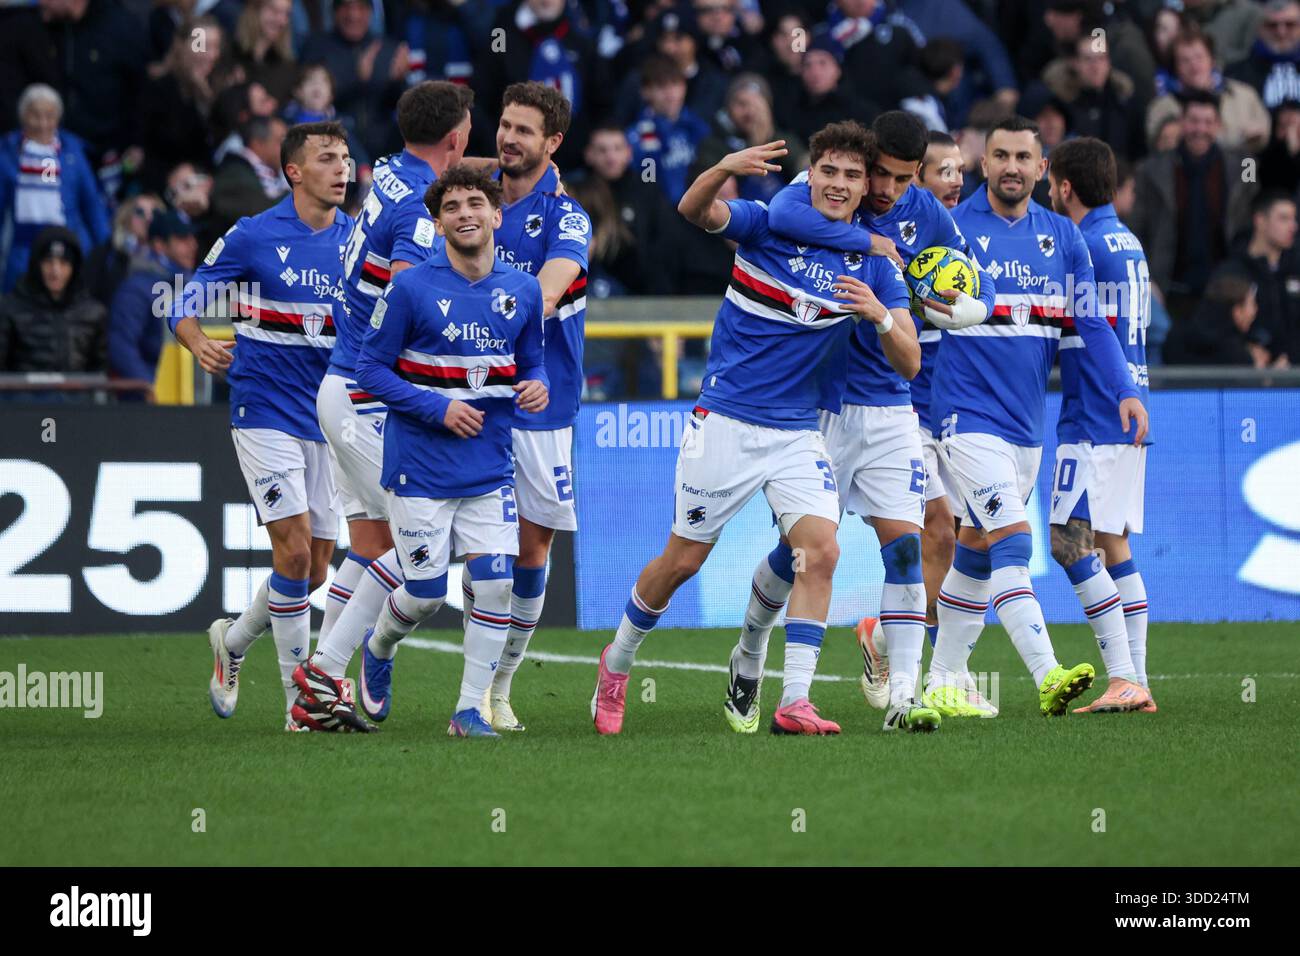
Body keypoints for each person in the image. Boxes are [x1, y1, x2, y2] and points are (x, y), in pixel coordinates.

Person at [591, 124, 906, 737]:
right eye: (830, 171)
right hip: (727, 422)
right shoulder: (767, 224)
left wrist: (880, 315)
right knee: (681, 562)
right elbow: (691, 208)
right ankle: (618, 661)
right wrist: (724, 164)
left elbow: (911, 361)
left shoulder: (871, 260)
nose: (839, 184)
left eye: (852, 175)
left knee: (822, 551)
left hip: (797, 433)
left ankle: (795, 701)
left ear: (866, 185)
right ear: (810, 175)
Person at [748, 112, 996, 725]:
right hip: (821, 404)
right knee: (802, 551)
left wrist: (961, 312)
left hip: (891, 405)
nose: (884, 190)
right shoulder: (834, 193)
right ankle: (752, 639)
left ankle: (906, 698)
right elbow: (780, 214)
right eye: (879, 174)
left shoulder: (928, 213)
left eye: (902, 180)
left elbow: (978, 287)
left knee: (908, 549)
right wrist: (869, 242)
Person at [924, 116, 1147, 718]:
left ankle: (943, 676)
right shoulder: (950, 228)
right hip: (963, 419)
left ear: (1043, 169)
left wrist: (1124, 387)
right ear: (984, 163)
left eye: (1024, 157)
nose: (1012, 168)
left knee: (973, 546)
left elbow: (1091, 323)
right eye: (1001, 156)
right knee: (1014, 538)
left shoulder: (1063, 238)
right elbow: (918, 305)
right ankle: (1048, 675)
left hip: (1027, 428)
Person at [171, 121, 359, 732]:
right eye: (328, 158)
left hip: (330, 418)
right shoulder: (255, 235)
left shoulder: (358, 242)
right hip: (264, 409)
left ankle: (232, 641)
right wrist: (197, 339)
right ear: (295, 172)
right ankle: (296, 705)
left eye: (347, 159)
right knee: (295, 548)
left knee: (315, 565)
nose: (343, 169)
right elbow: (185, 298)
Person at [354, 165, 549, 738]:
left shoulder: (524, 289)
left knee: (494, 583)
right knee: (426, 594)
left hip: (490, 465)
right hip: (420, 466)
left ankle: (468, 709)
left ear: (496, 215)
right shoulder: (411, 287)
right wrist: (437, 409)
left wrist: (538, 385)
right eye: (453, 207)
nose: (465, 213)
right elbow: (369, 369)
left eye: (475, 203)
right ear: (438, 223)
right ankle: (380, 645)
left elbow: (532, 360)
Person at [306, 81, 475, 714]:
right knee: (416, 548)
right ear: (455, 136)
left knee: (375, 547)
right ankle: (324, 674)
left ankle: (322, 686)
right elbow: (409, 291)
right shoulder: (417, 216)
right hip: (369, 396)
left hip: (342, 386)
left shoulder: (390, 176)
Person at [444, 82, 591, 734]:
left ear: (553, 142)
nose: (508, 138)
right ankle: (388, 650)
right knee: (464, 547)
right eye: (504, 125)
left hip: (540, 403)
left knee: (531, 550)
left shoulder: (567, 217)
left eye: (524, 130)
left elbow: (547, 293)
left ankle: (498, 687)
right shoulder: (470, 193)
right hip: (464, 400)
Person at [1045, 137, 1156, 713]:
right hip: (1127, 403)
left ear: (1065, 187)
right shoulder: (1127, 239)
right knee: (1113, 544)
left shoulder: (1083, 243)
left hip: (1096, 412)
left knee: (1068, 540)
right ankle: (1135, 680)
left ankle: (1125, 676)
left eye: (1051, 182)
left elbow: (1089, 325)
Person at [1128, 90, 1257, 322]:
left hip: (1225, 290)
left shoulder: (1244, 164)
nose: (1200, 129)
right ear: (1182, 124)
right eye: (1194, 121)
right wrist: (1147, 280)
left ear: (1218, 125)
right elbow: (1136, 228)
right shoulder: (1150, 169)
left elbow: (1254, 205)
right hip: (1169, 289)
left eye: (1208, 122)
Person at [0, 84, 110, 292]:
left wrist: (106, 249)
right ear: (23, 116)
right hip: (24, 252)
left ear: (58, 119)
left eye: (49, 116)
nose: (43, 124)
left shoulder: (72, 152)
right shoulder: (7, 152)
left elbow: (91, 205)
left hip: (70, 248)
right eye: (35, 116)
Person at [299, 0, 409, 161]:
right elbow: (312, 100)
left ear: (371, 12)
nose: (353, 15)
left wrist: (398, 82)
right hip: (336, 151)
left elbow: (398, 107)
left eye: (361, 8)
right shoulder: (316, 47)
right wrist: (356, 78)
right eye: (346, 7)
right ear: (334, 11)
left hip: (384, 151)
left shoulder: (387, 48)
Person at [108, 211, 198, 399]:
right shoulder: (136, 289)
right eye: (182, 238)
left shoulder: (193, 286)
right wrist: (151, 387)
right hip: (150, 407)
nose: (193, 245)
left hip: (194, 397)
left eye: (192, 237)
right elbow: (120, 345)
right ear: (159, 245)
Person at [0, 226, 106, 382]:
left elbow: (99, 374)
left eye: (64, 263)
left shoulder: (93, 313)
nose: (55, 271)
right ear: (37, 265)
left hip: (78, 404)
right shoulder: (10, 308)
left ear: (75, 268)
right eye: (48, 262)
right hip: (22, 403)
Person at [1145, 28, 1271, 153]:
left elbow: (1262, 136)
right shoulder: (1162, 106)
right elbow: (1160, 147)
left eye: (1199, 57)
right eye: (1185, 60)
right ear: (1175, 67)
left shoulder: (1243, 95)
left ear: (1211, 60)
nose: (1194, 65)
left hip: (1241, 170)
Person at [626, 54, 713, 206]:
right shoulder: (642, 132)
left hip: (700, 209)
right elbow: (648, 179)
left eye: (675, 84)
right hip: (664, 214)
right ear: (646, 92)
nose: (670, 94)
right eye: (661, 86)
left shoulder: (694, 124)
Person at [1226, 191, 1300, 364]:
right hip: (1250, 381)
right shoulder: (1234, 271)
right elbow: (1216, 332)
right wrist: (1246, 356)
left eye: (1294, 218)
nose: (1293, 226)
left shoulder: (1295, 268)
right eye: (1283, 218)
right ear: (1260, 221)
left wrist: (1290, 359)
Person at [208, 115, 290, 240]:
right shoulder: (233, 174)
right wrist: (300, 193)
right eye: (280, 141)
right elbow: (260, 215)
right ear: (257, 143)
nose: (287, 149)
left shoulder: (271, 173)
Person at [1226, 0, 1300, 111]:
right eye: (1272, 25)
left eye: (1290, 25)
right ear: (1260, 28)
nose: (1281, 32)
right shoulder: (1237, 73)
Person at [233, 0, 298, 104]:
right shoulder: (228, 54)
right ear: (255, 9)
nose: (281, 20)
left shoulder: (287, 67)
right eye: (274, 10)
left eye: (286, 14)